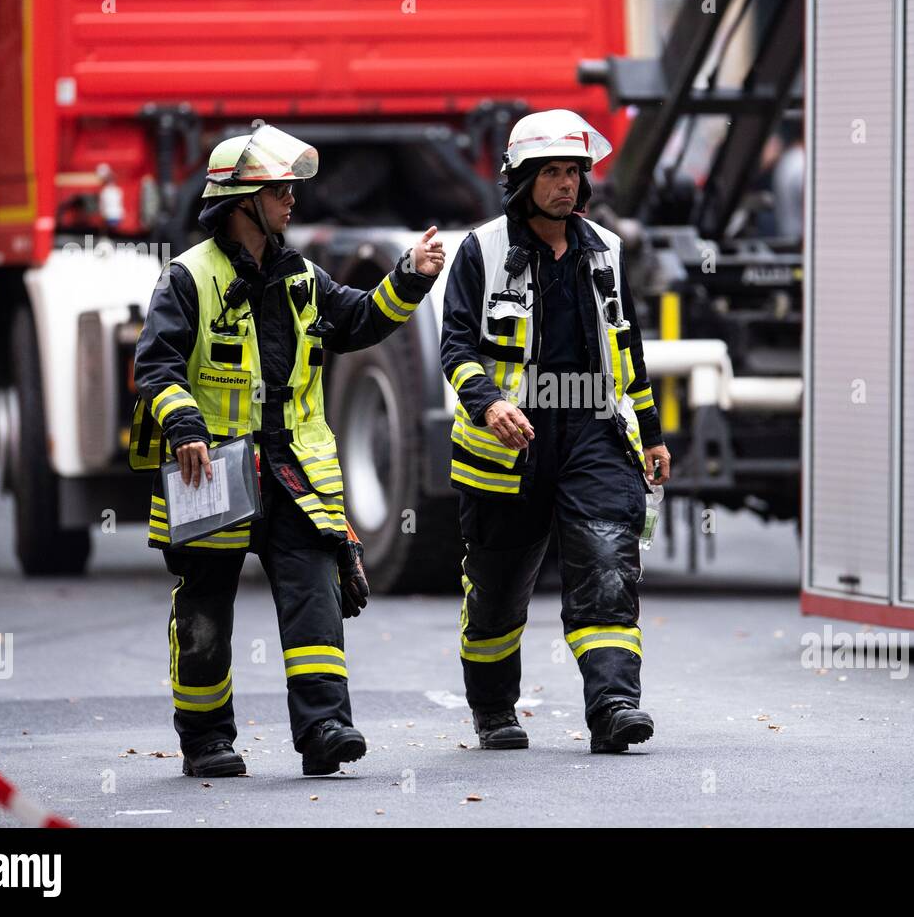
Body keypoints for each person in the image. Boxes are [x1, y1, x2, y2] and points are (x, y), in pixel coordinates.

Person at [132, 124, 443, 776]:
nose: (293, 200)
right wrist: (185, 426)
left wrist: (409, 277)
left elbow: (357, 319)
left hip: (290, 474)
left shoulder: (300, 276)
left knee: (314, 596)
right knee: (205, 610)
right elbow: (155, 366)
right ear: (242, 201)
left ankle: (325, 727)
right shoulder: (188, 278)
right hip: (209, 470)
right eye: (280, 190)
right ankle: (207, 739)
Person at [440, 109, 671, 754]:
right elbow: (455, 345)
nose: (565, 185)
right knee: (498, 588)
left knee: (607, 564)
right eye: (551, 173)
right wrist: (487, 405)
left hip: (594, 430)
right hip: (509, 441)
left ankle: (615, 706)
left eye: (573, 172)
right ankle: (493, 710)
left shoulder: (606, 248)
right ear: (521, 177)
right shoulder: (481, 250)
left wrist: (650, 434)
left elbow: (629, 347)